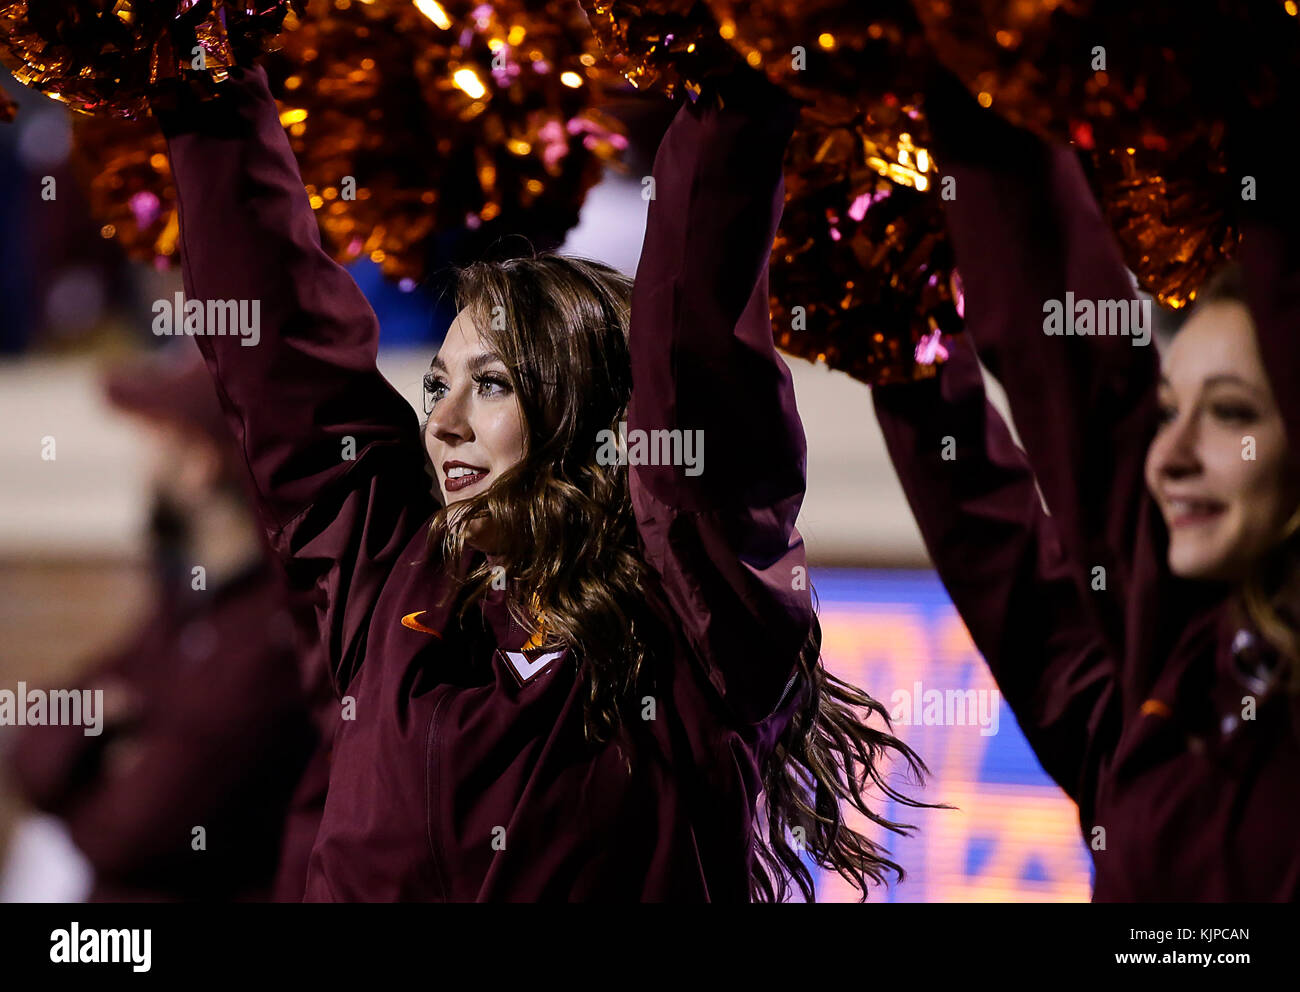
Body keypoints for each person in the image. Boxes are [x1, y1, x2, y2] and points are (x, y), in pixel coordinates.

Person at [149, 58, 931, 902]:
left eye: (492, 384)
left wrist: (733, 74)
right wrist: (204, 70)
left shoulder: (696, 620)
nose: (443, 422)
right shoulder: (394, 584)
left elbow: (694, 351)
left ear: (591, 417)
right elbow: (283, 350)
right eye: (437, 385)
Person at [872, 76, 1300, 900]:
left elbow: (1088, 391)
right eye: (1170, 411)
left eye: (1232, 411)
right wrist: (972, 56)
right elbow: (1061, 387)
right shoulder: (1179, 676)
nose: (1166, 458)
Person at [7, 352, 323, 901]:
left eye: (155, 435)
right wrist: (95, 733)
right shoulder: (189, 603)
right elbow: (30, 740)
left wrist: (86, 765)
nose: (141, 457)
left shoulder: (270, 637)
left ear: (199, 463)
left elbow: (132, 830)